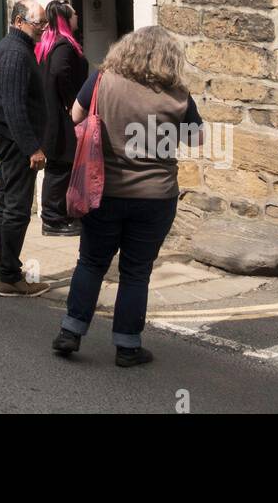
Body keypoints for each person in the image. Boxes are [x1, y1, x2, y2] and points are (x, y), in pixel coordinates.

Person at [51, 25, 204, 368]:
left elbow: (74, 117)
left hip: (103, 189)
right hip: (155, 196)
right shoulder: (178, 95)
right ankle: (127, 347)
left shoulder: (102, 80)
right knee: (136, 271)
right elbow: (197, 141)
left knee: (91, 262)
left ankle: (71, 331)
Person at [0, 0, 52, 298]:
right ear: (18, 21)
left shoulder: (18, 48)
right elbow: (14, 108)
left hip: (7, 137)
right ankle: (10, 276)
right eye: (38, 23)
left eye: (45, 23)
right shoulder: (15, 53)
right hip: (13, 141)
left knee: (4, 204)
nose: (43, 28)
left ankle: (0, 270)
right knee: (16, 208)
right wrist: (32, 148)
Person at [37, 0, 89, 236]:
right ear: (66, 18)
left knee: (58, 167)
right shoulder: (64, 46)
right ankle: (52, 219)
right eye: (75, 13)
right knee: (60, 168)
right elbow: (60, 72)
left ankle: (57, 215)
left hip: (51, 115)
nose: (78, 16)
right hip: (60, 117)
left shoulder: (49, 43)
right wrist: (72, 102)